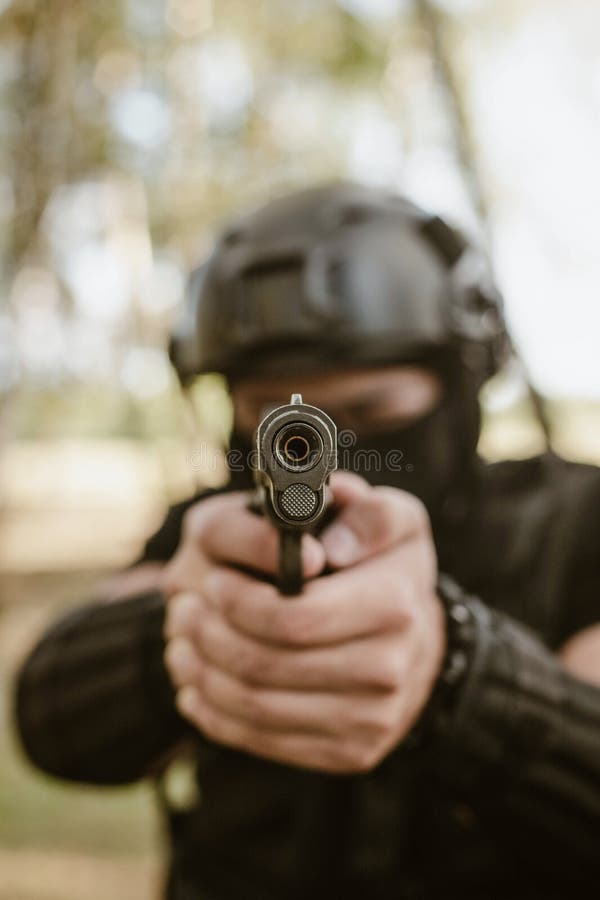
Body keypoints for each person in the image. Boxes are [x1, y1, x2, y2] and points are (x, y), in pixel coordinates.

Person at [14, 183, 600, 900]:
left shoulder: (574, 522)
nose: (322, 448)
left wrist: (462, 677)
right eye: (271, 417)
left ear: (461, 382)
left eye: (369, 410)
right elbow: (50, 714)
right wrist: (184, 632)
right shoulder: (210, 531)